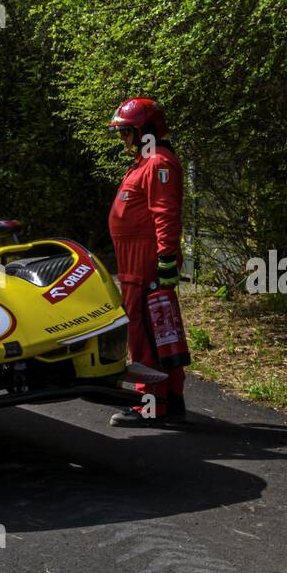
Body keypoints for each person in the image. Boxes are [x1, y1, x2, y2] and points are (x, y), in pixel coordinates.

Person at [106, 96, 187, 427]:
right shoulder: (146, 161)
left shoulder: (158, 164)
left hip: (145, 263)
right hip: (134, 263)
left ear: (146, 131)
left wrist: (166, 259)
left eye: (127, 132)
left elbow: (165, 215)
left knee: (146, 337)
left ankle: (151, 407)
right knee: (159, 334)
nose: (123, 139)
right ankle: (172, 403)